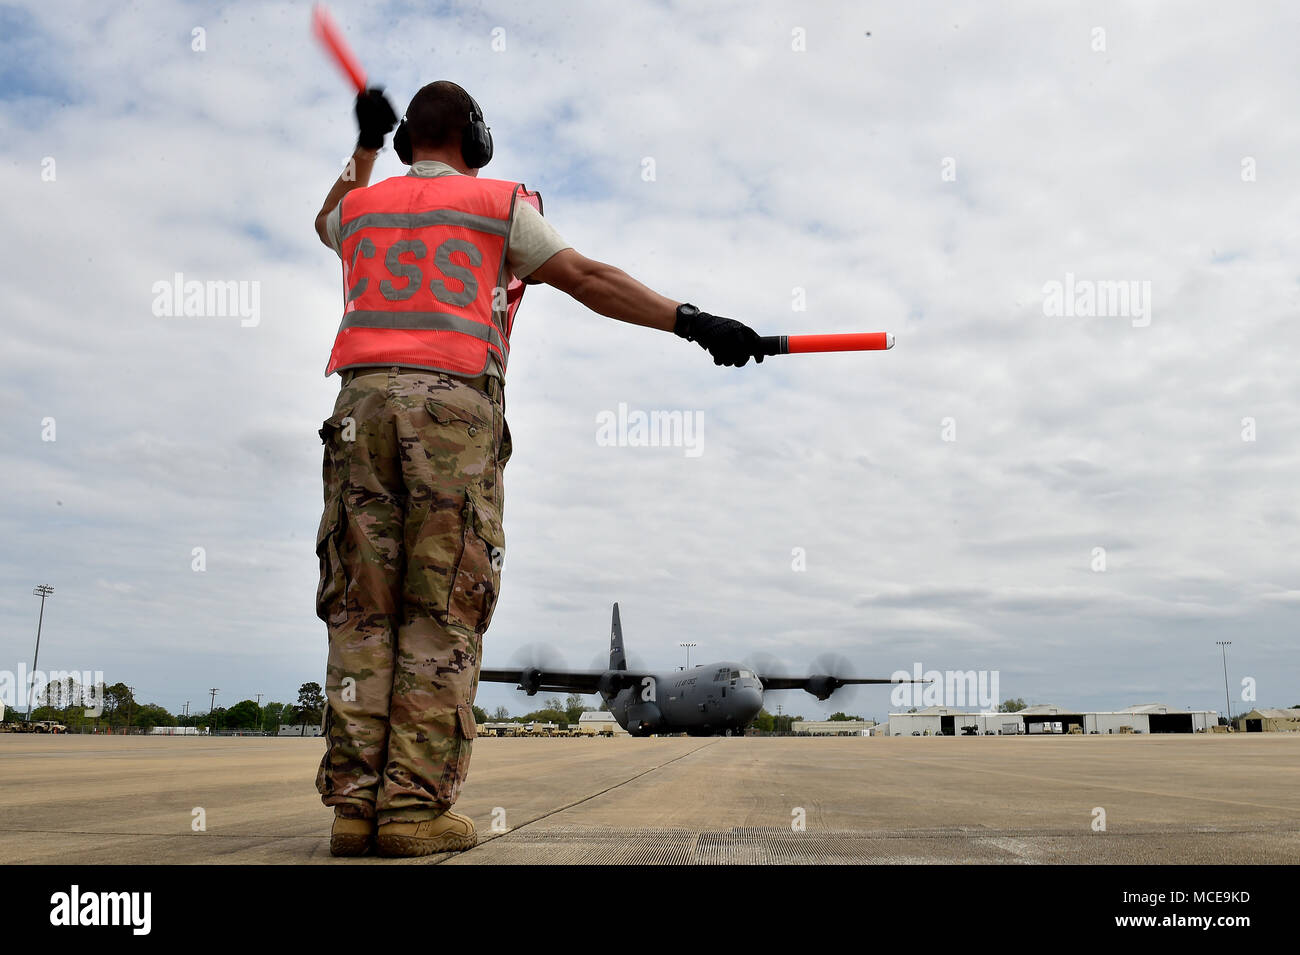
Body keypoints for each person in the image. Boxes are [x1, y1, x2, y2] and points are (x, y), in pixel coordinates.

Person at [312, 81, 765, 857]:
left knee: (361, 608)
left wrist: (361, 143)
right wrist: (690, 321)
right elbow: (586, 278)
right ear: (475, 138)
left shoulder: (363, 207)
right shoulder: (495, 204)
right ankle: (412, 809)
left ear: (401, 141)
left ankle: (354, 809)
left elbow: (326, 217)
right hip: (451, 412)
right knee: (441, 608)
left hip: (358, 412)